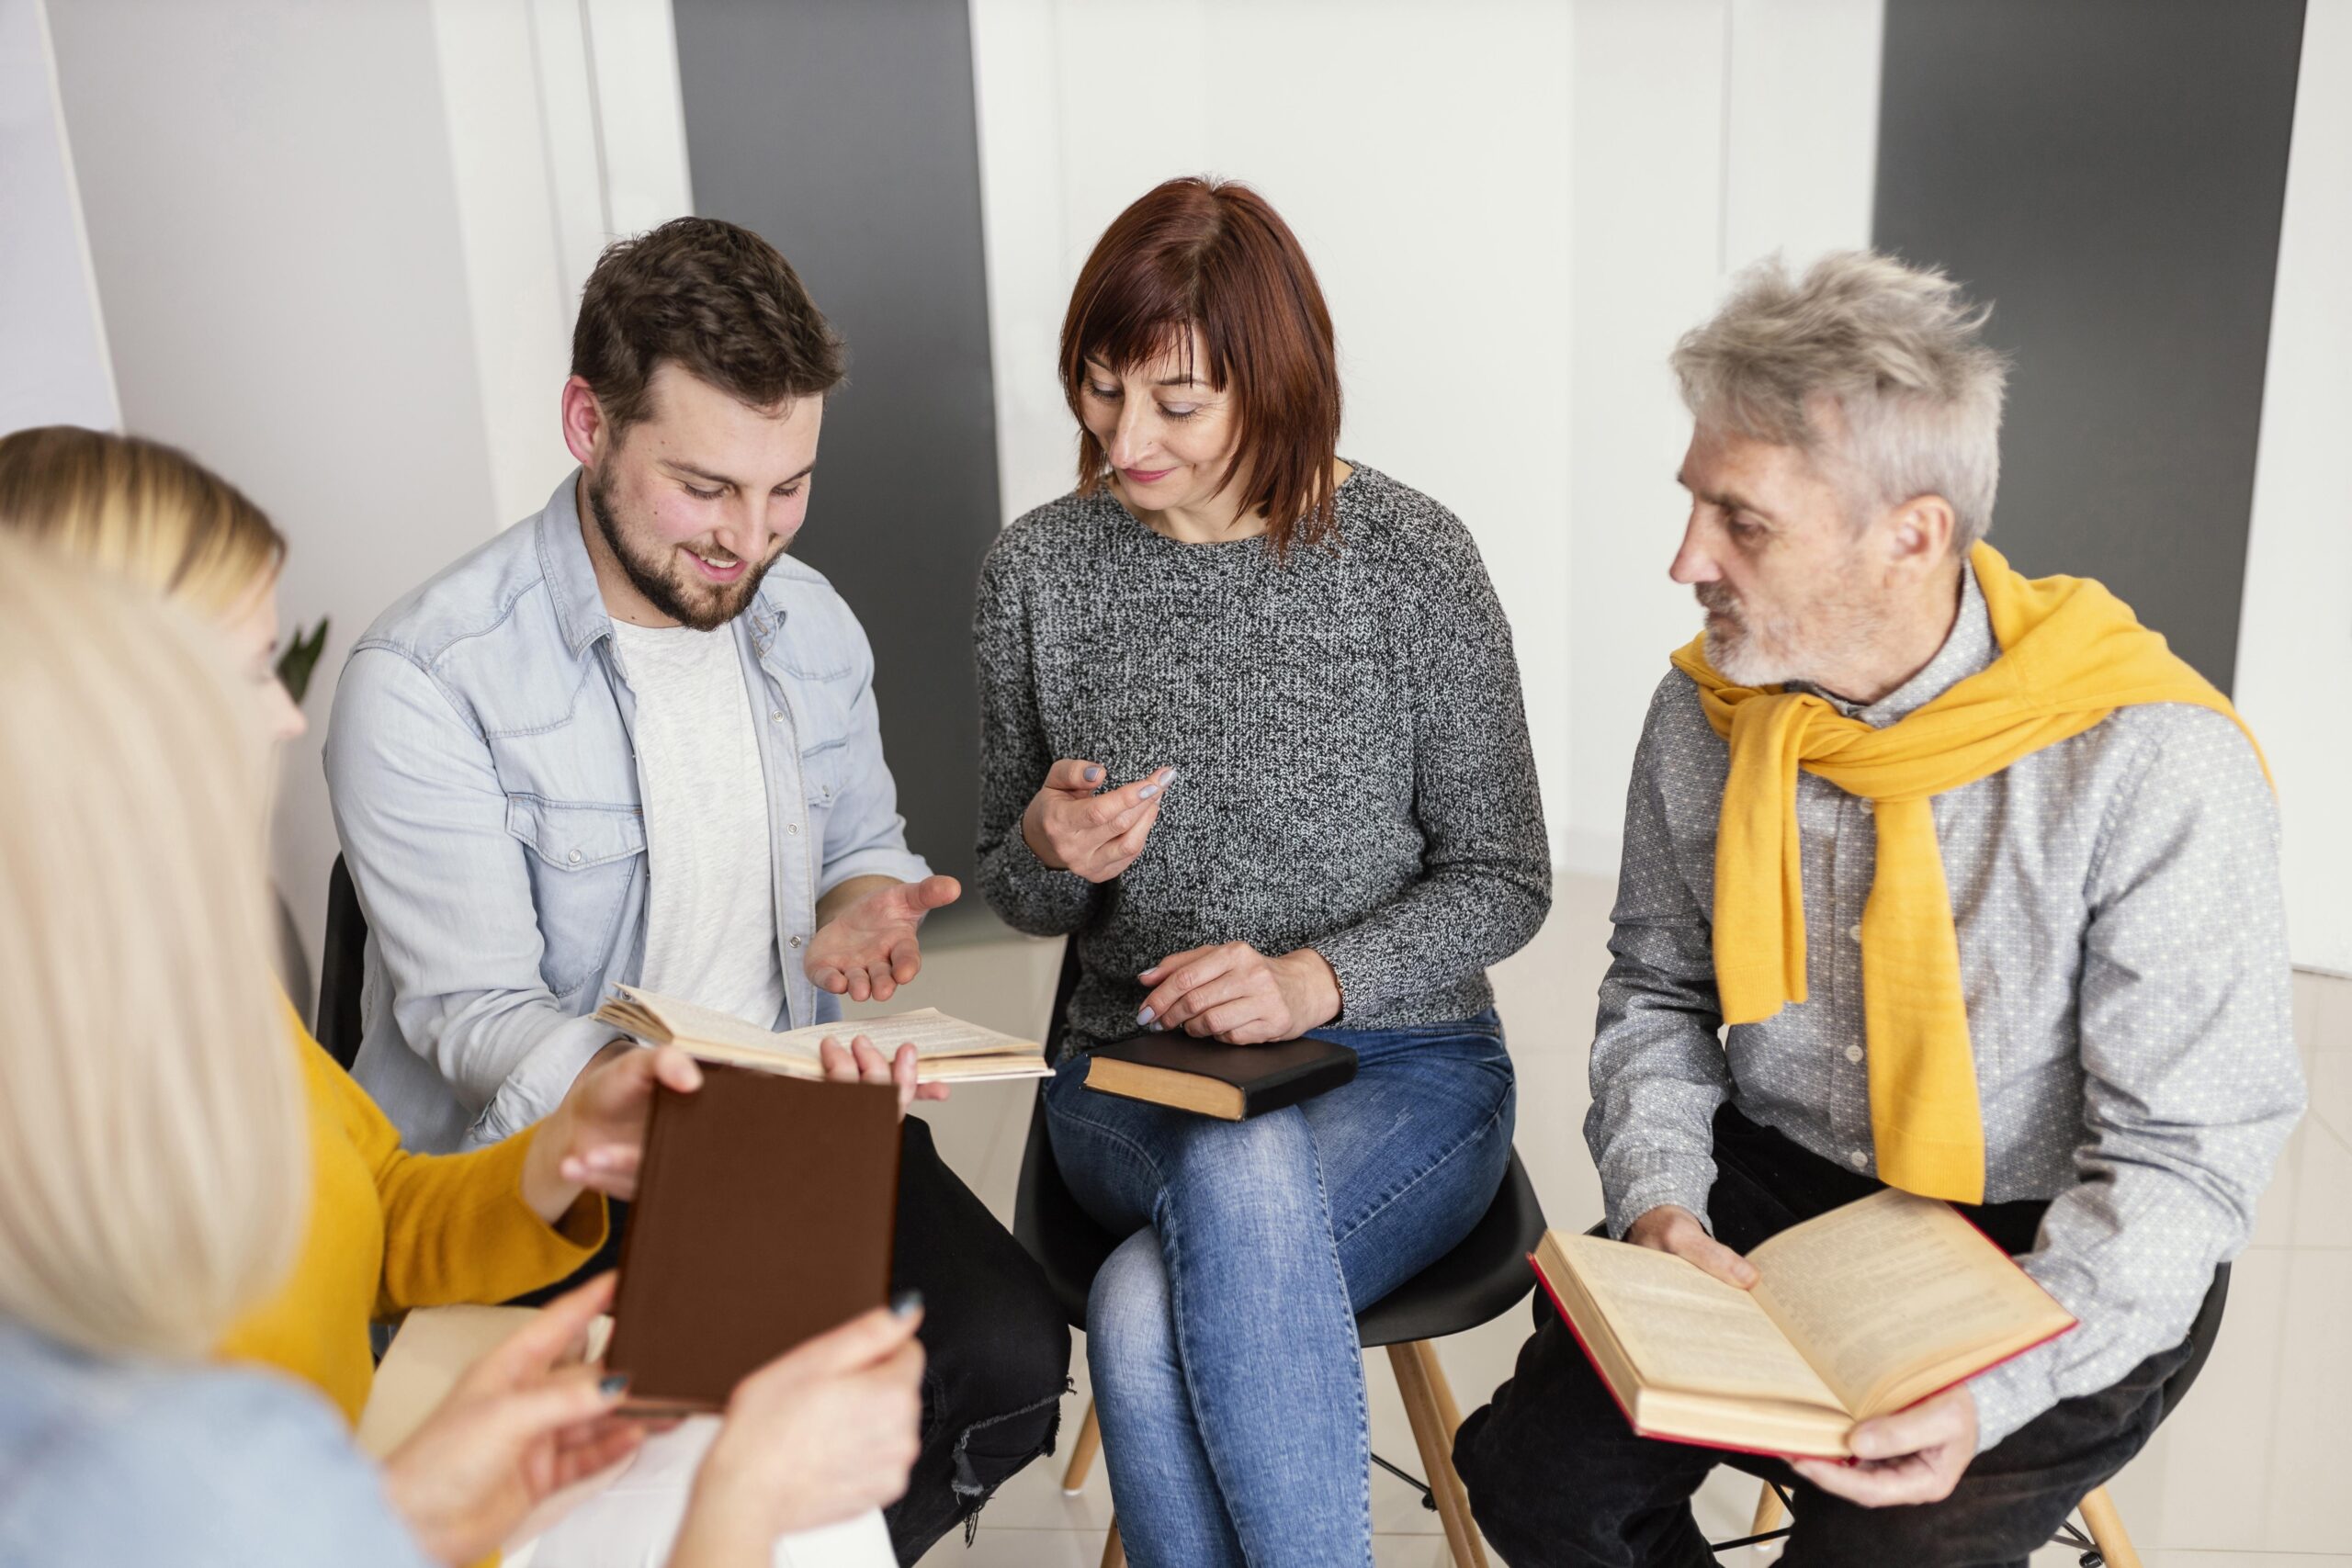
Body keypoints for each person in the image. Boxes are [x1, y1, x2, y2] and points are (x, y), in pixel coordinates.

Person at [1452, 252, 2304, 1567]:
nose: (1686, 559)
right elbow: (1662, 992)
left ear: (1912, 533)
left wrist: (1997, 1389)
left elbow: (2182, 1168)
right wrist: (1662, 1197)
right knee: (1528, 1478)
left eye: (1744, 522)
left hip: (2047, 1237)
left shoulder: (2150, 762)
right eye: (1694, 505)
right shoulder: (1704, 714)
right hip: (1776, 1190)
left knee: (1872, 1546)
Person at [323, 216, 1068, 1559]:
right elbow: (476, 1019)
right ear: (585, 422)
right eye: (706, 487)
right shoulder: (428, 681)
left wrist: (862, 903)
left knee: (1004, 1357)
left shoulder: (810, 618)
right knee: (669, 1439)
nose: (749, 537)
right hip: (564, 1150)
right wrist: (665, 1103)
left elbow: (864, 839)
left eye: (787, 488)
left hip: (791, 1113)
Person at [0, 534, 925, 1566]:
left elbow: (380, 1208)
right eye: (250, 669)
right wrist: (742, 1499)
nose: (288, 715)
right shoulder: (162, 1461)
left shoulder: (189, 975)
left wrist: (561, 1146)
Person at [973, 175, 1551, 1567]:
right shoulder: (1037, 573)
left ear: (1279, 384)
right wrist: (1049, 850)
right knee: (1233, 1170)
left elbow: (1507, 872)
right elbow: (1018, 886)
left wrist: (1314, 977)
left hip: (1410, 1066)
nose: (1126, 438)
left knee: (1135, 1303)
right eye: (1103, 391)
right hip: (1139, 1075)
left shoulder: (1414, 559)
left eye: (1177, 403)